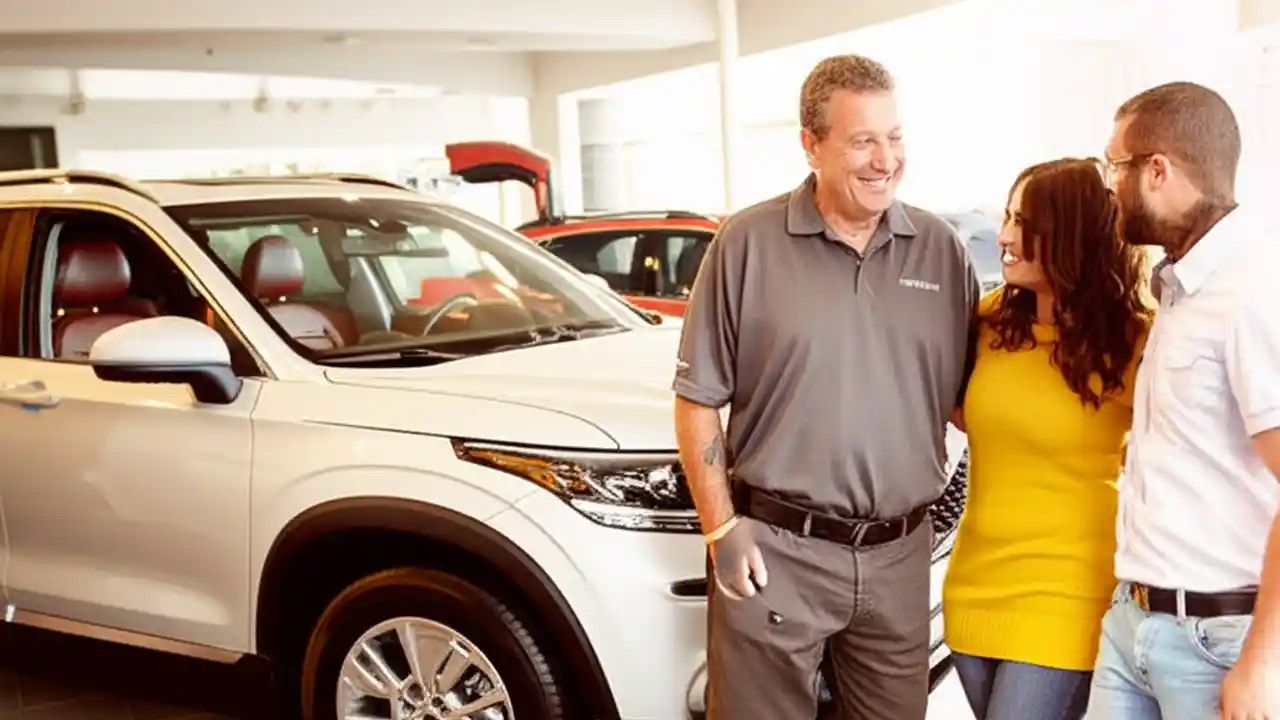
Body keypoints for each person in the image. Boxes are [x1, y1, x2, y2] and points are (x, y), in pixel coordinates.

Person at [671, 53, 980, 720]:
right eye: (862, 140)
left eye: (894, 137)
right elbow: (697, 400)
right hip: (778, 552)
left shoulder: (941, 249)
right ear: (811, 145)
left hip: (900, 557)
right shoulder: (746, 243)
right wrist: (721, 530)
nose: (885, 159)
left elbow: (967, 403)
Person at [1085, 81, 1280, 719]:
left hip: (1218, 640)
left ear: (1158, 170)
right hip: (1133, 620)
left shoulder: (1250, 289)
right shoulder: (1179, 282)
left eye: (1115, 166)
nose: (1109, 185)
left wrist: (1262, 662)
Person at [941, 157, 1153, 720]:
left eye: (1025, 221)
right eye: (1008, 216)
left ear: (1073, 235)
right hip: (974, 585)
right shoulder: (988, 324)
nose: (1005, 236)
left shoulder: (1136, 343)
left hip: (1069, 592)